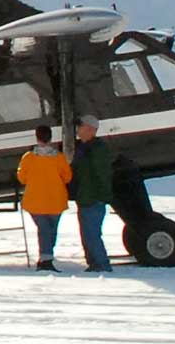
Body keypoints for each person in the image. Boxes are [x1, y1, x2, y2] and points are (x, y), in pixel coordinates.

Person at [17, 124, 73, 272]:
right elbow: (67, 177)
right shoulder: (59, 158)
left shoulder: (28, 158)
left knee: (44, 230)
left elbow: (22, 177)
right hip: (56, 200)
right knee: (51, 230)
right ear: (51, 138)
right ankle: (46, 258)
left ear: (36, 137)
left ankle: (45, 259)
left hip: (35, 201)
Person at [70, 114, 113, 272]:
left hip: (93, 198)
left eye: (80, 127)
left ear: (90, 129)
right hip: (84, 198)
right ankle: (94, 263)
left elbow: (102, 175)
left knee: (92, 234)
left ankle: (102, 264)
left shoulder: (97, 149)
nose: (78, 130)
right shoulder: (83, 148)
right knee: (87, 234)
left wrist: (102, 196)